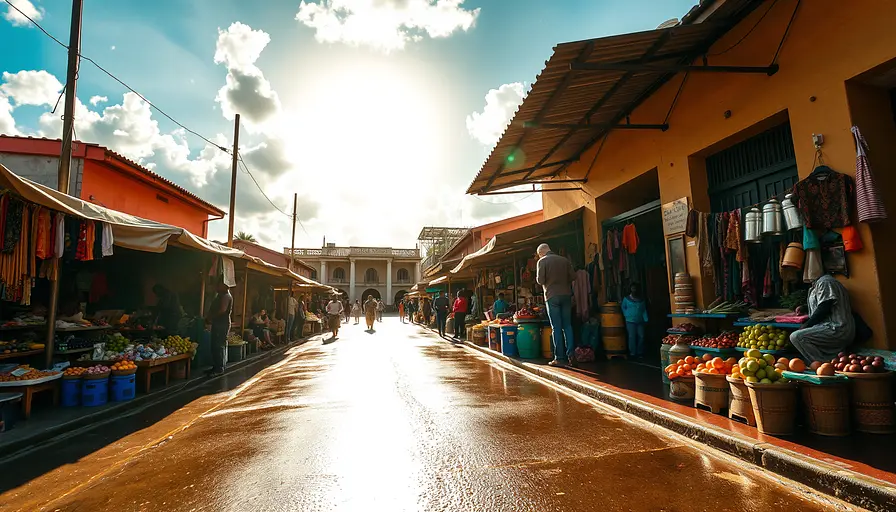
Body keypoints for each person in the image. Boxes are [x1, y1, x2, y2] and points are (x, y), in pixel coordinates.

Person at [790, 274, 855, 363]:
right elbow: (823, 303)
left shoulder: (825, 282)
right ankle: (830, 361)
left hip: (837, 328)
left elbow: (824, 308)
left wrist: (806, 325)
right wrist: (805, 308)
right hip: (831, 327)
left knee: (797, 337)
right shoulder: (817, 284)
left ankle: (824, 364)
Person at [536, 243, 576, 367]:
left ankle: (559, 358)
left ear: (541, 253)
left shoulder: (542, 261)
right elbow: (573, 277)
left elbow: (540, 280)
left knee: (556, 327)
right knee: (567, 326)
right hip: (566, 295)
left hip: (552, 296)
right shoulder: (564, 260)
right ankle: (571, 355)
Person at [204, 279, 233, 376]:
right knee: (215, 345)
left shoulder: (226, 296)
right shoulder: (220, 296)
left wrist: (211, 318)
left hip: (222, 324)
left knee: (218, 345)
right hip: (219, 323)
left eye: (219, 285)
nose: (217, 287)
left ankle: (219, 368)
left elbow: (222, 310)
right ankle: (216, 366)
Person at [622, 283, 648, 358]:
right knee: (632, 336)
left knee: (641, 336)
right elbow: (623, 307)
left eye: (635, 288)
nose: (634, 290)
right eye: (633, 288)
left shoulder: (641, 300)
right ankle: (632, 353)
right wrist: (626, 315)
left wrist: (646, 319)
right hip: (630, 320)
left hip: (640, 320)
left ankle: (640, 352)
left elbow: (644, 310)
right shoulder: (626, 299)